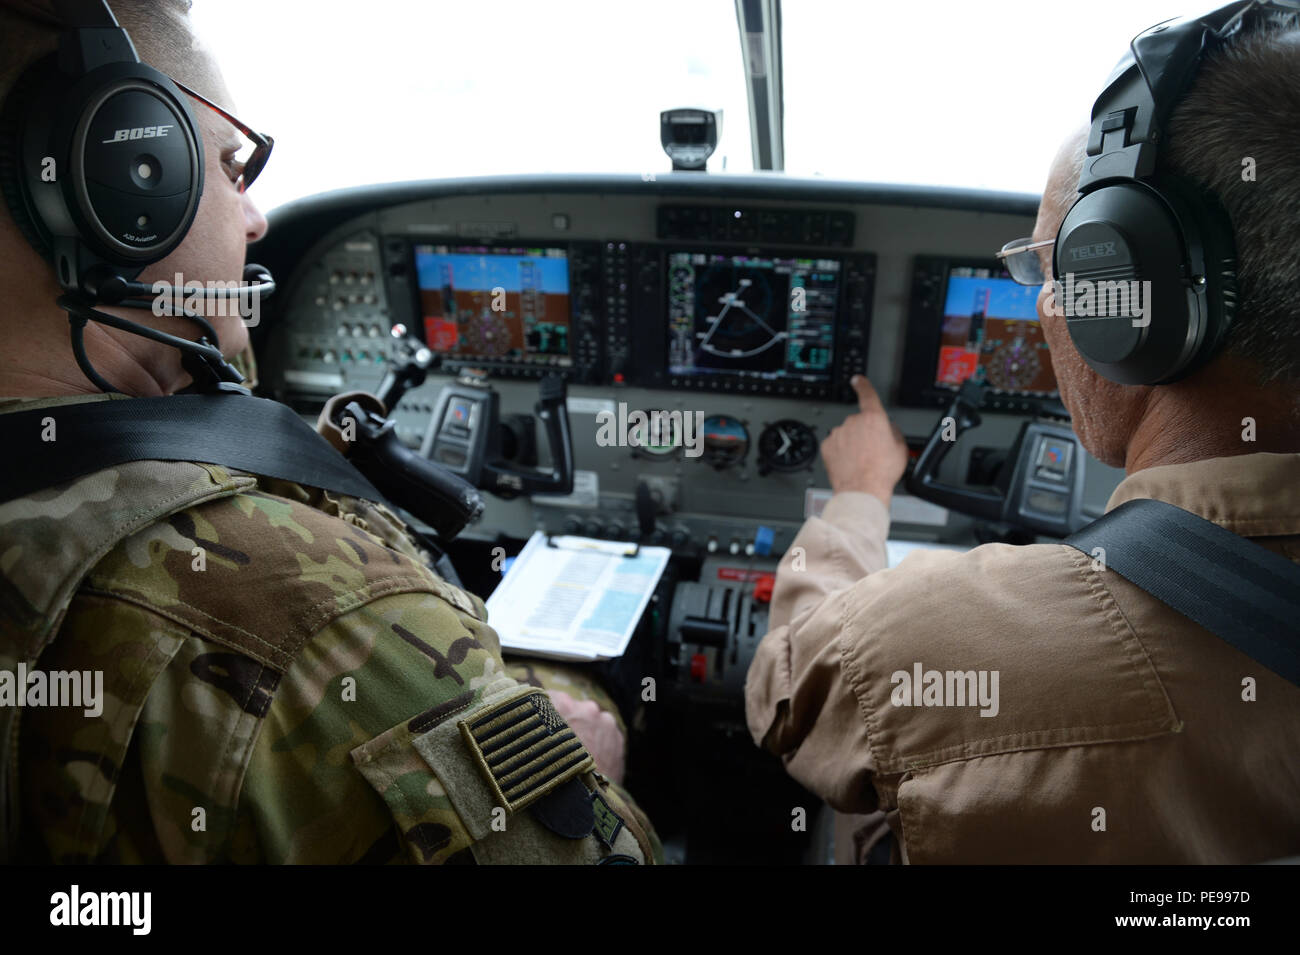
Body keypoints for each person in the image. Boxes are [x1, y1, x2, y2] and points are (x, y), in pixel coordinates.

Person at [0, 0, 653, 864]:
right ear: (123, 179)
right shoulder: (317, 627)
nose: (258, 219)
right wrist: (582, 740)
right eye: (234, 167)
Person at [745, 9, 1300, 863]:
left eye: (1057, 267)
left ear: (1134, 291)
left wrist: (858, 498)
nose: (1045, 304)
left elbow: (787, 685)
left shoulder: (945, 639)